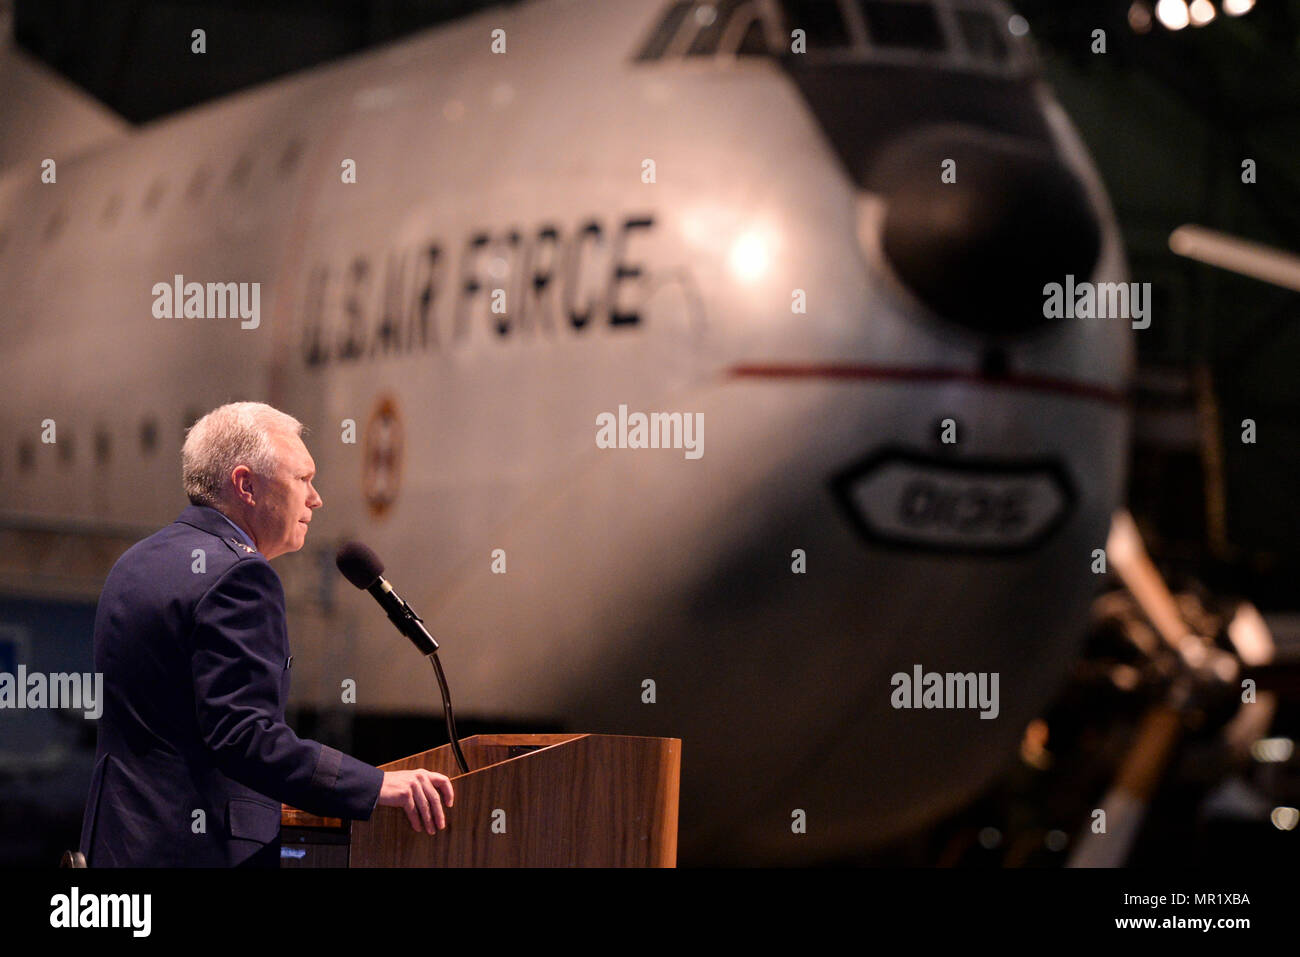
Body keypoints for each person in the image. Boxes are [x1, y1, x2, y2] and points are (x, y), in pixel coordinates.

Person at [78, 401, 452, 866]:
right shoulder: (240, 577)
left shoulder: (134, 562)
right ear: (246, 485)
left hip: (115, 846)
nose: (316, 499)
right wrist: (375, 785)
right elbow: (244, 735)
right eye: (302, 479)